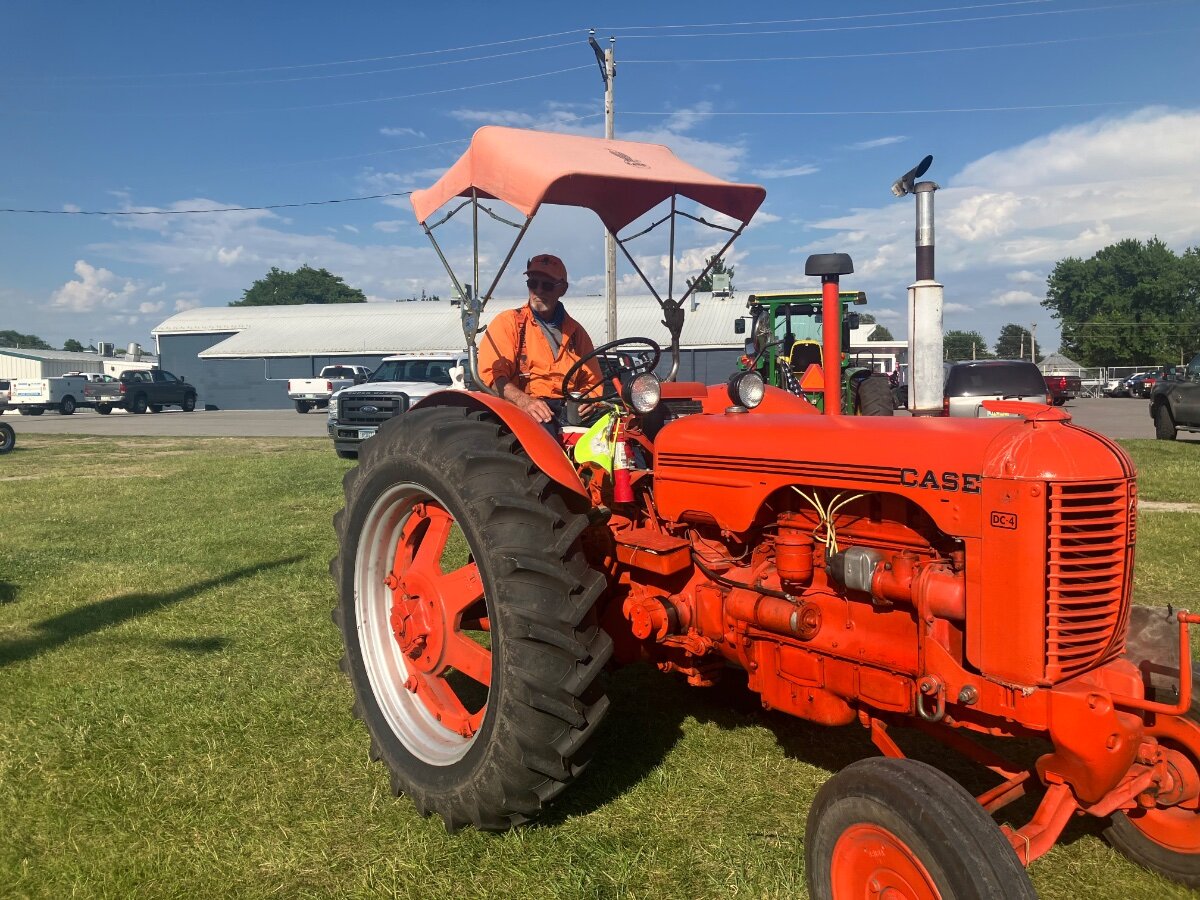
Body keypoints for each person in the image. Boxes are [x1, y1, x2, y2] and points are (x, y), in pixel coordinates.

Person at [477, 253, 602, 437]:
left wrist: (588, 401)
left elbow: (592, 382)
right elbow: (493, 376)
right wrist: (524, 401)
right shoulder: (509, 322)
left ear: (562, 289)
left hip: (569, 410)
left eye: (547, 285)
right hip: (525, 409)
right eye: (532, 284)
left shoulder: (576, 333)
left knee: (621, 427)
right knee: (544, 436)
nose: (538, 291)